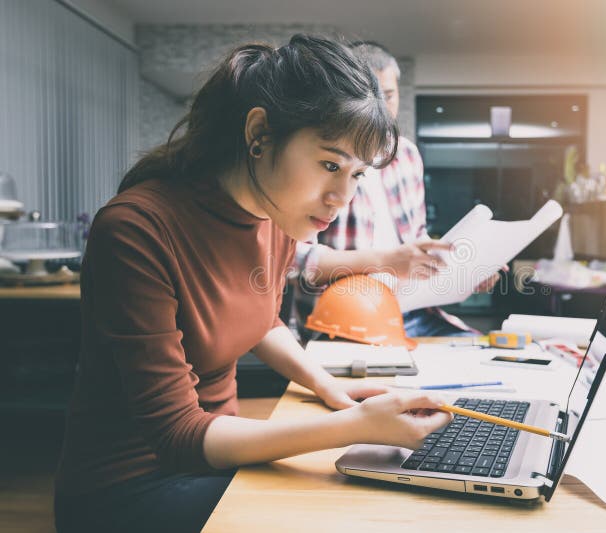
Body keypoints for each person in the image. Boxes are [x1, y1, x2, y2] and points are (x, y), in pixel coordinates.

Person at [53, 35, 451, 533]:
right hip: (129, 489)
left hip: (216, 461)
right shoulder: (136, 229)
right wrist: (352, 427)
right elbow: (178, 433)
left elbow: (259, 319)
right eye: (330, 165)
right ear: (259, 132)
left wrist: (332, 390)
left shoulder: (274, 216)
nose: (340, 197)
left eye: (356, 176)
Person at [293, 42, 501, 339]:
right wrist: (387, 261)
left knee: (482, 356)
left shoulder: (407, 154)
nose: (381, 108)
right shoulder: (324, 158)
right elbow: (292, 257)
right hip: (345, 320)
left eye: (388, 96)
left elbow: (416, 238)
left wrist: (465, 267)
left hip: (411, 311)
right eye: (372, 96)